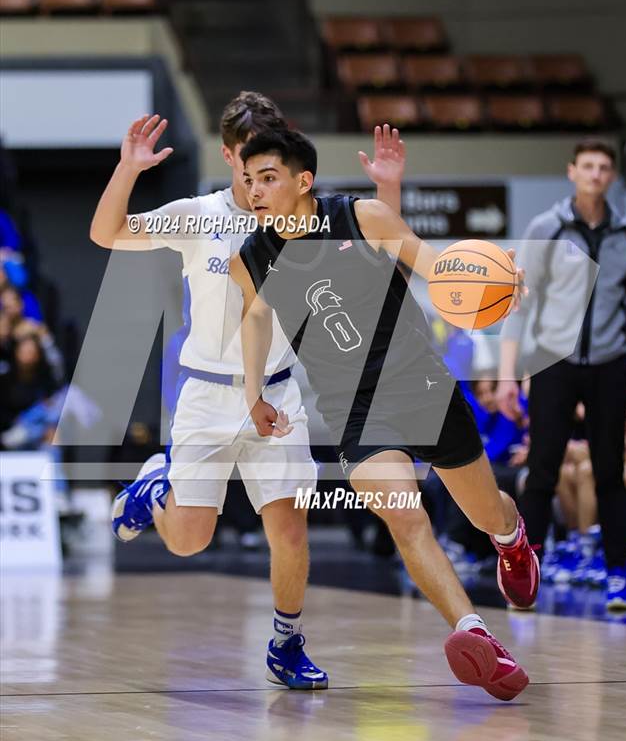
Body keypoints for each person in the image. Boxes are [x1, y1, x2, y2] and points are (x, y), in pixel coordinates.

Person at [89, 91, 405, 689]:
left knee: (289, 530)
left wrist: (388, 189)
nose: (258, 169)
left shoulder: (300, 215)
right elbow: (106, 234)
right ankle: (157, 483)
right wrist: (128, 167)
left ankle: (287, 645)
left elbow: (377, 248)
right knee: (188, 541)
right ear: (229, 155)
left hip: (277, 395)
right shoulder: (199, 215)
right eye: (247, 157)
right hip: (206, 394)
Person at [230, 129, 538, 702]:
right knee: (406, 517)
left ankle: (511, 537)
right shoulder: (250, 259)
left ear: (303, 182)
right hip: (354, 412)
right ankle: (475, 633)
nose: (255, 191)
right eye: (248, 180)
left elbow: (434, 266)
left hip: (422, 388)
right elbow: (253, 319)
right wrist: (254, 394)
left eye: (268, 177)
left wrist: (498, 279)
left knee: (486, 511)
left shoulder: (362, 216)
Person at [497, 138, 626, 611]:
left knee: (610, 472)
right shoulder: (548, 229)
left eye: (604, 167)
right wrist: (507, 376)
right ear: (572, 172)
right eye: (588, 166)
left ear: (612, 177)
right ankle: (529, 572)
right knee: (542, 468)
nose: (596, 174)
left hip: (610, 364)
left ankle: (617, 573)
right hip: (554, 364)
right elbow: (517, 307)